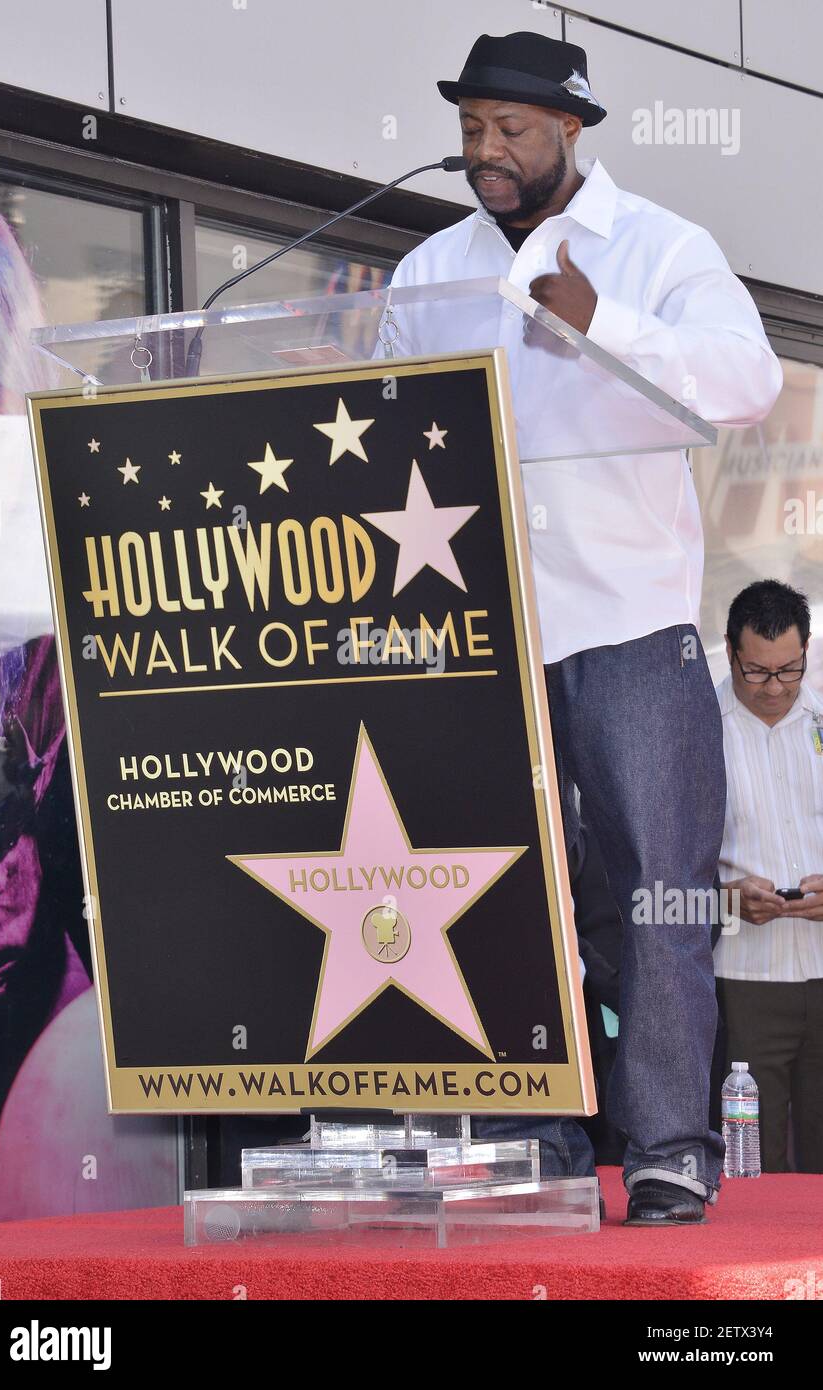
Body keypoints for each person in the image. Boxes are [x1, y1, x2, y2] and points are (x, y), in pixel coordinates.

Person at [385, 31, 783, 1224]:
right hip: (479, 636)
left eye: (508, 130)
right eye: (469, 129)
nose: (484, 151)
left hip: (627, 624)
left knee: (656, 896)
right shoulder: (430, 270)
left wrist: (604, 322)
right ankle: (534, 1140)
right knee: (504, 899)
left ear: (571, 130)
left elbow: (746, 382)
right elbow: (395, 421)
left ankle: (664, 1146)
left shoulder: (660, 248)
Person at [716, 580, 823, 1173]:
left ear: (807, 649)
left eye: (790, 670)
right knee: (752, 1170)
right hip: (743, 980)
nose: (776, 688)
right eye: (757, 672)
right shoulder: (699, 730)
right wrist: (723, 901)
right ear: (730, 650)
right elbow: (653, 882)